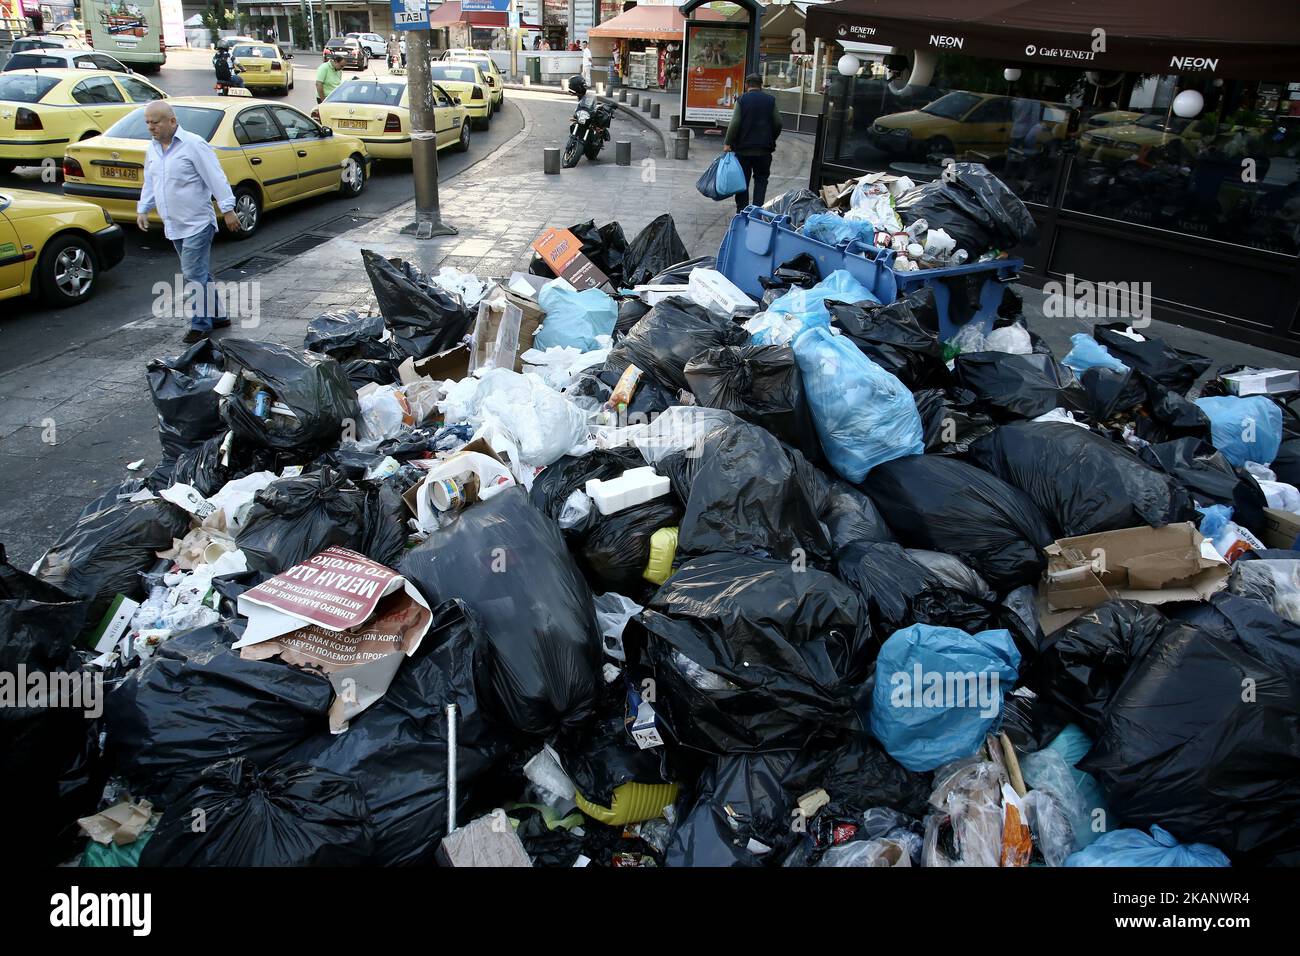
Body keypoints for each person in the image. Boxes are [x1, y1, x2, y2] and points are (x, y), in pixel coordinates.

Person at [135, 101, 239, 344]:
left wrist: (228, 209)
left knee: (193, 274)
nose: (151, 127)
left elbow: (215, 176)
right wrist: (143, 208)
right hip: (174, 225)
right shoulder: (153, 148)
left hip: (197, 223)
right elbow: (151, 182)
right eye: (148, 122)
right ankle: (219, 316)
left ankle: (200, 325)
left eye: (156, 122)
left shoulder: (193, 145)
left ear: (172, 121)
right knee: (199, 273)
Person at [723, 73, 782, 213]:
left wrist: (728, 142)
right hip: (764, 150)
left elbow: (735, 123)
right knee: (761, 180)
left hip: (743, 149)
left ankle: (742, 210)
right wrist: (771, 137)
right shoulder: (770, 100)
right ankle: (757, 211)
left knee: (742, 181)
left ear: (746, 85)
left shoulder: (742, 100)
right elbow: (778, 123)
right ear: (761, 85)